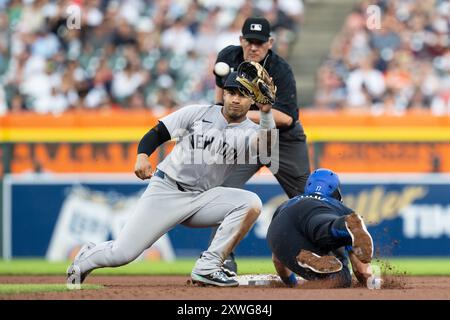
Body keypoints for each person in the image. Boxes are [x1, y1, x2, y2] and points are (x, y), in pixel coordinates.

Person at [66, 72, 276, 287]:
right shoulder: (197, 113)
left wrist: (267, 114)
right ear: (223, 94)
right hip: (166, 190)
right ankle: (86, 258)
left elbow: (268, 151)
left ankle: (208, 267)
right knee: (122, 254)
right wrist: (142, 156)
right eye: (231, 92)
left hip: (203, 198)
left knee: (250, 203)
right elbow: (158, 133)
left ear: (252, 100)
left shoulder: (251, 131)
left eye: (242, 95)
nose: (234, 99)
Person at [212, 16, 311, 275]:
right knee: (220, 192)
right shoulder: (228, 57)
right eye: (249, 41)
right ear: (241, 40)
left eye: (259, 42)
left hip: (282, 140)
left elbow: (286, 118)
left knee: (308, 200)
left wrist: (240, 112)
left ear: (270, 43)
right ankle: (220, 260)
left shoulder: (280, 69)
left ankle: (332, 256)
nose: (254, 47)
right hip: (245, 137)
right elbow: (219, 101)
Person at [267, 168, 374, 288]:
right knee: (341, 277)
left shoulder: (285, 204)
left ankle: (312, 258)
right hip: (322, 213)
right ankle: (343, 225)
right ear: (336, 191)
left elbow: (277, 260)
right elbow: (361, 270)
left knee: (301, 246)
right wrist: (369, 281)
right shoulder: (340, 207)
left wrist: (292, 284)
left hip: (279, 229)